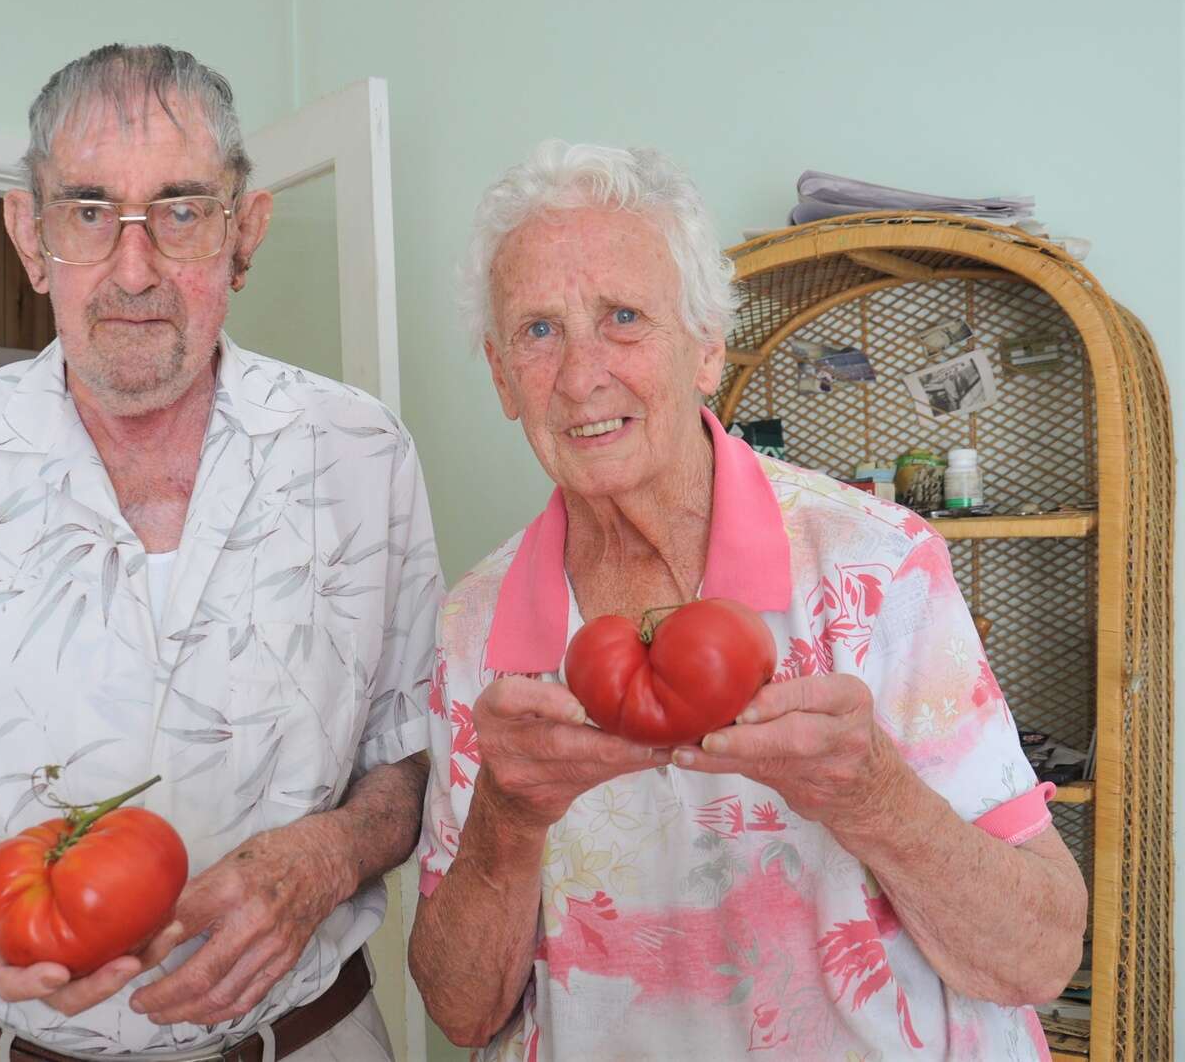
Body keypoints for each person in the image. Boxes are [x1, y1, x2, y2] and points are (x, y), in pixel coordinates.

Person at [0, 43, 443, 1062]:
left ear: (243, 235)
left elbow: (407, 762)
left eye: (181, 209)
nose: (133, 268)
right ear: (31, 237)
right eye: (86, 211)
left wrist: (331, 852)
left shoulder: (360, 453)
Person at [408, 141, 1087, 1060]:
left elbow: (1042, 955)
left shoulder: (876, 567)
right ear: (499, 376)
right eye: (538, 331)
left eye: (622, 317)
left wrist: (875, 794)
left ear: (707, 348)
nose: (579, 375)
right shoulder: (471, 626)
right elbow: (462, 1013)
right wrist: (507, 817)